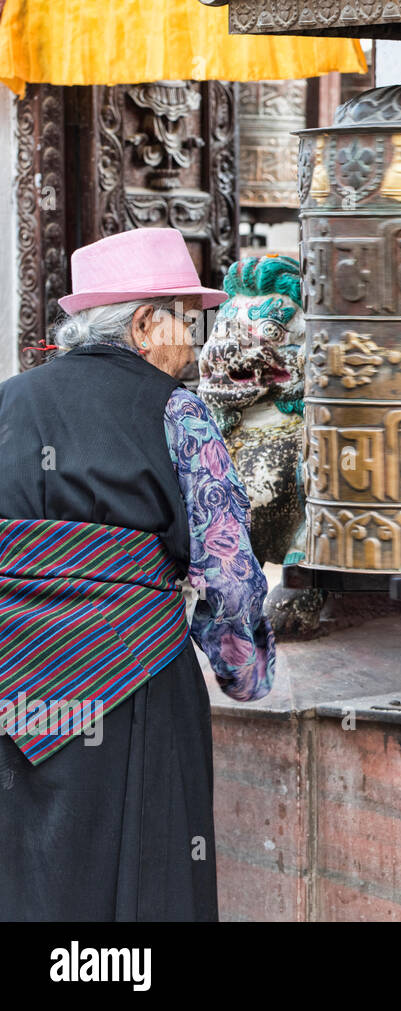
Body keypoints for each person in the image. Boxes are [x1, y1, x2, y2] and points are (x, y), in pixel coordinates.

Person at [0, 227, 275, 920]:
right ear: (146, 324)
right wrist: (243, 670)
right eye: (186, 315)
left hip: (12, 681)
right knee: (142, 882)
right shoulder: (178, 412)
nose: (194, 336)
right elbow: (228, 571)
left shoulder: (8, 402)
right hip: (134, 683)